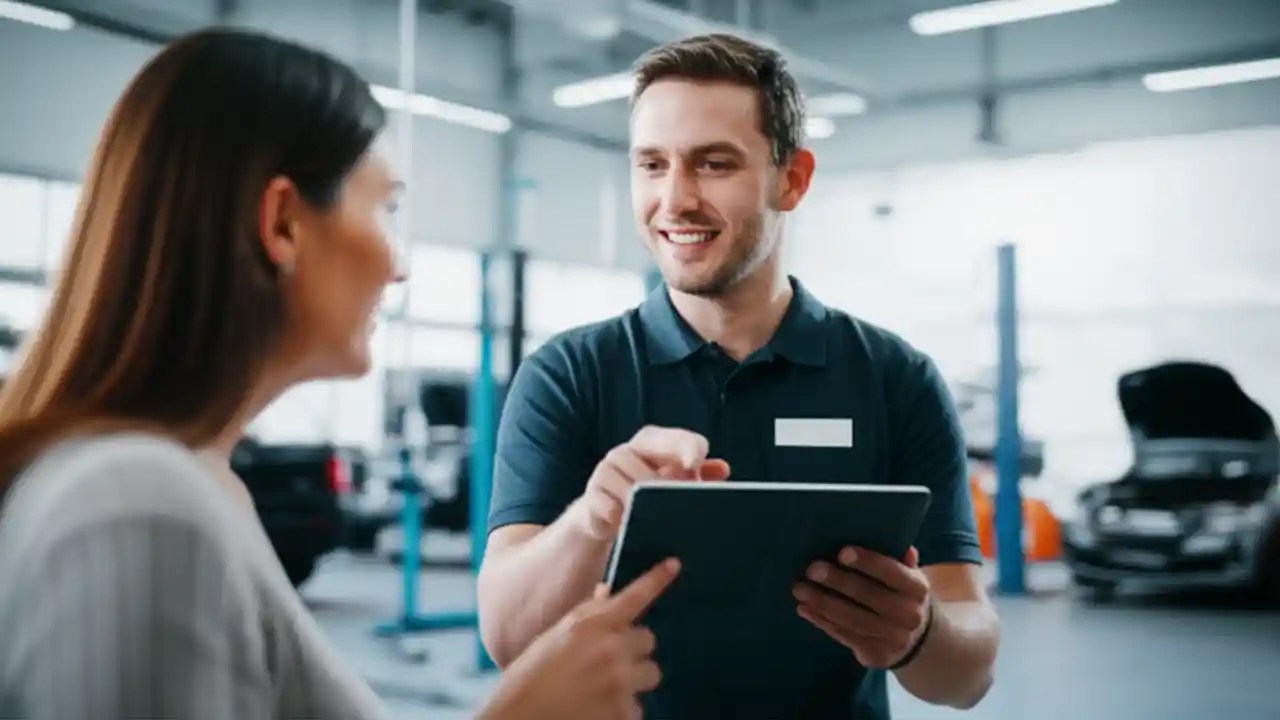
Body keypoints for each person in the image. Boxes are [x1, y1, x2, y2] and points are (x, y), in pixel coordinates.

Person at [0, 28, 677, 720]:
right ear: (284, 223)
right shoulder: (139, 508)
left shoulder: (194, 491)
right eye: (385, 209)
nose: (400, 264)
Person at [477, 33, 1001, 719]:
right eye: (652, 165)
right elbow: (509, 640)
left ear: (793, 178)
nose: (675, 199)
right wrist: (592, 521)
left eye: (713, 164)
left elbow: (967, 678)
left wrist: (920, 633)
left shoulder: (894, 378)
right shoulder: (568, 375)